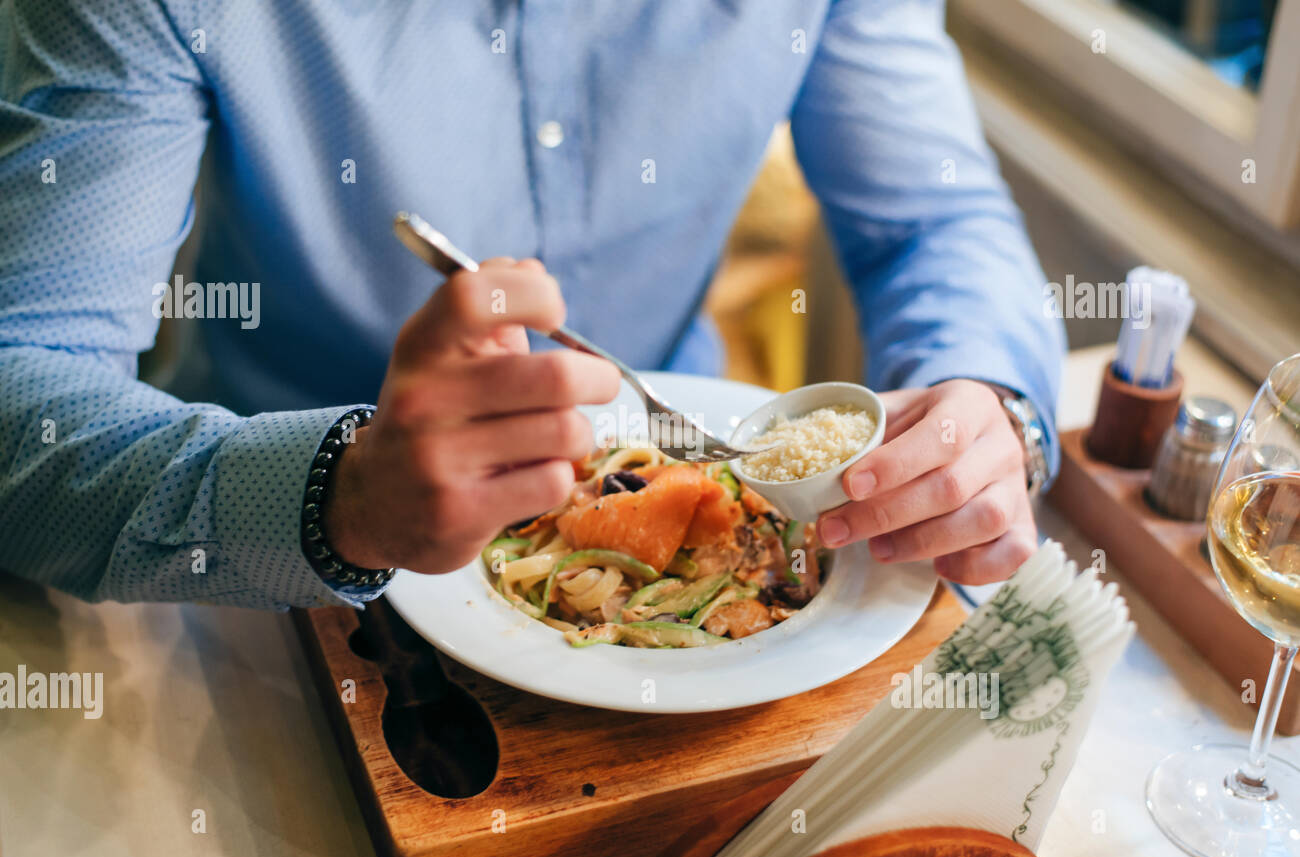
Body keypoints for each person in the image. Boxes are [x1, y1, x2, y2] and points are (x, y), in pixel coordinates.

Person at [0, 0, 1063, 610]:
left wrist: (993, 409)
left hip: (690, 488)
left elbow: (934, 223)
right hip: (241, 593)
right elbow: (22, 384)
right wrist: (335, 496)